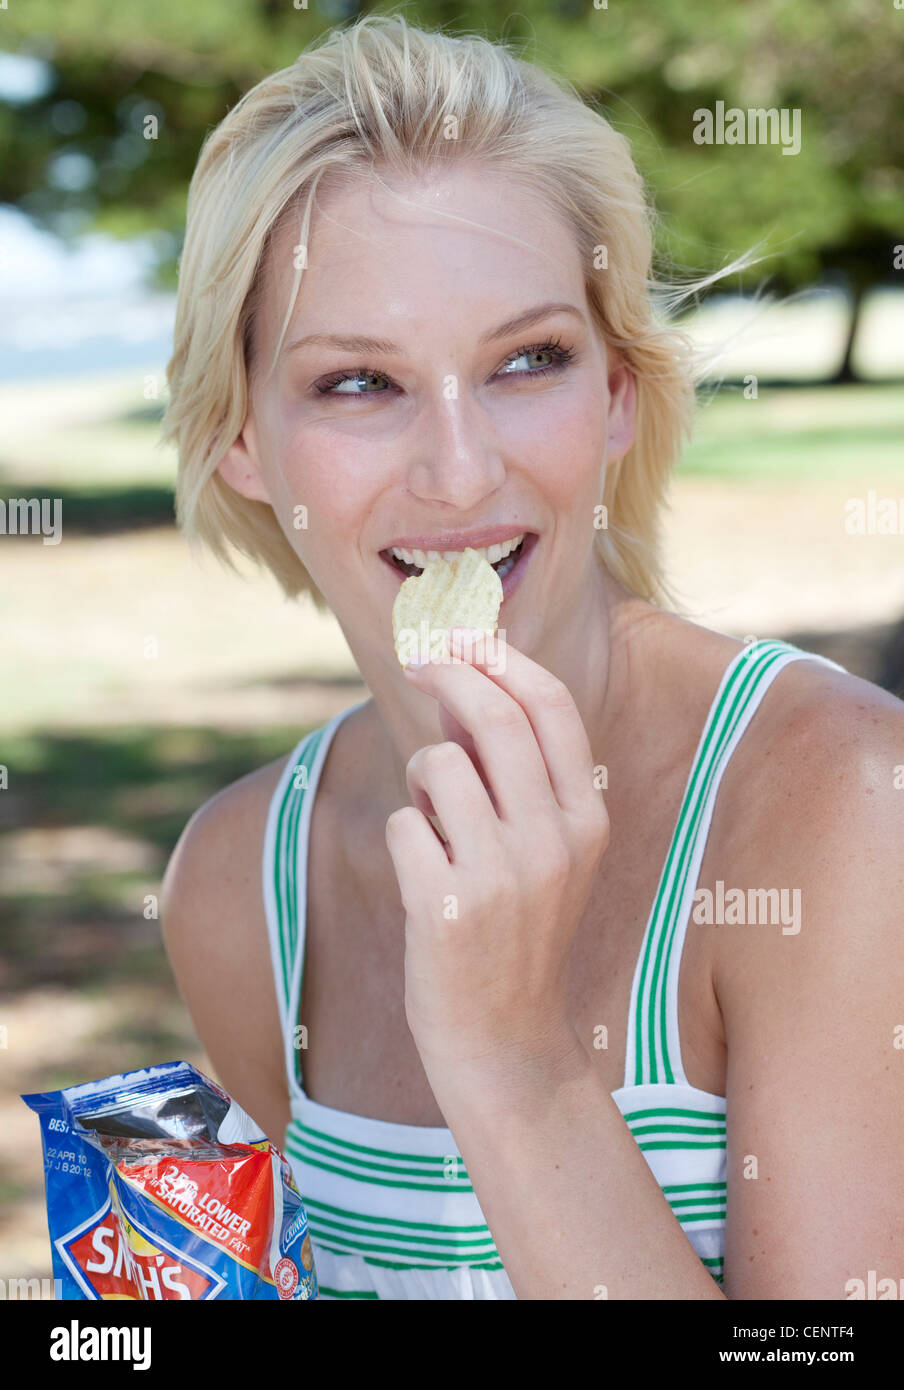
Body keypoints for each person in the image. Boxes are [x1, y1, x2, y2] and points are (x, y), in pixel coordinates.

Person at [159, 13, 904, 1300]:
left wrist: (515, 1059)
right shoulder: (236, 891)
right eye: (356, 383)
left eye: (527, 360)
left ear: (616, 390)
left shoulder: (842, 810)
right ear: (239, 440)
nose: (460, 469)